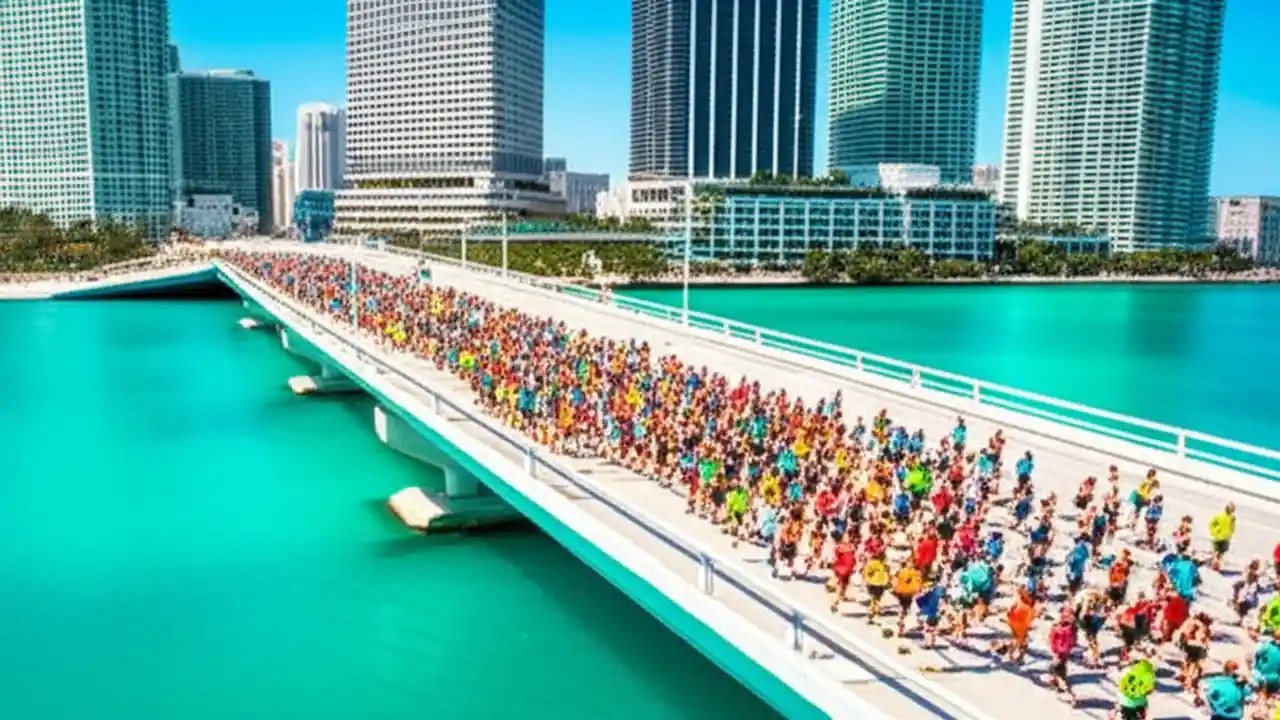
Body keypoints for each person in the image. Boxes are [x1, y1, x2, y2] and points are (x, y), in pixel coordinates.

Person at [1047, 609, 1078, 705]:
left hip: (1059, 653)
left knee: (1057, 671)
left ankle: (1068, 693)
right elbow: (1072, 643)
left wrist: (1056, 653)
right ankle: (1058, 684)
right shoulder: (1072, 629)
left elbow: (1052, 640)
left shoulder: (1060, 629)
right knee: (1060, 669)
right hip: (1064, 653)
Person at [1210, 503, 1237, 573]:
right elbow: (1233, 528)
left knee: (1217, 552)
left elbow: (1211, 523)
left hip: (1218, 536)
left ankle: (1215, 564)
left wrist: (1213, 531)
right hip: (1224, 538)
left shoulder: (1220, 516)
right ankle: (1216, 565)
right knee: (1219, 553)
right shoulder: (1231, 518)